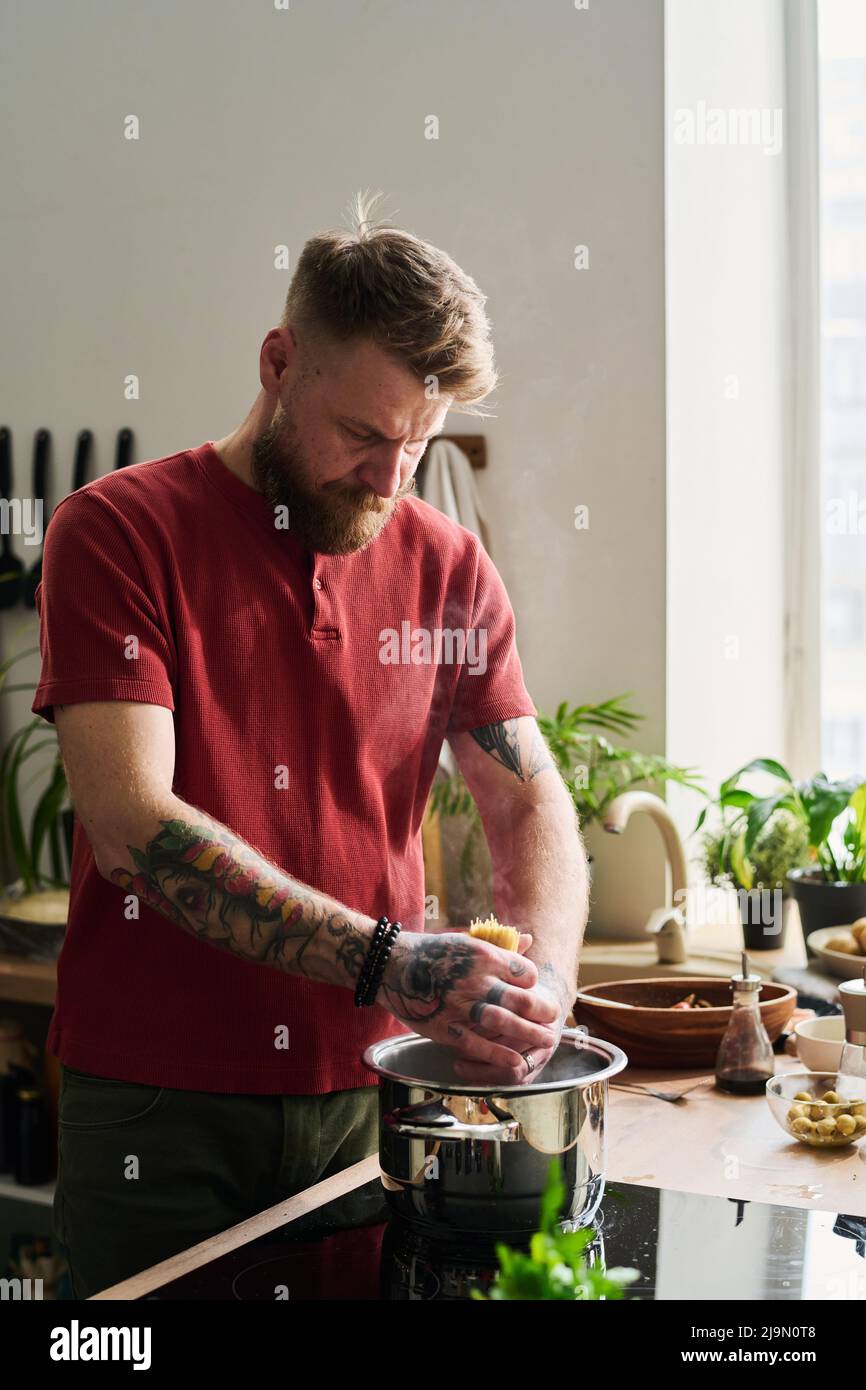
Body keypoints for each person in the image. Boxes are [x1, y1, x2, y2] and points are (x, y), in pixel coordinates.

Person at [32, 192, 589, 1298]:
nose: (391, 482)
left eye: (418, 449)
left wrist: (543, 987)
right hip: (160, 1098)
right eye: (364, 437)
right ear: (279, 363)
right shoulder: (117, 531)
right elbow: (133, 824)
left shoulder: (447, 569)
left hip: (374, 1090)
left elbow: (527, 799)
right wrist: (392, 961)